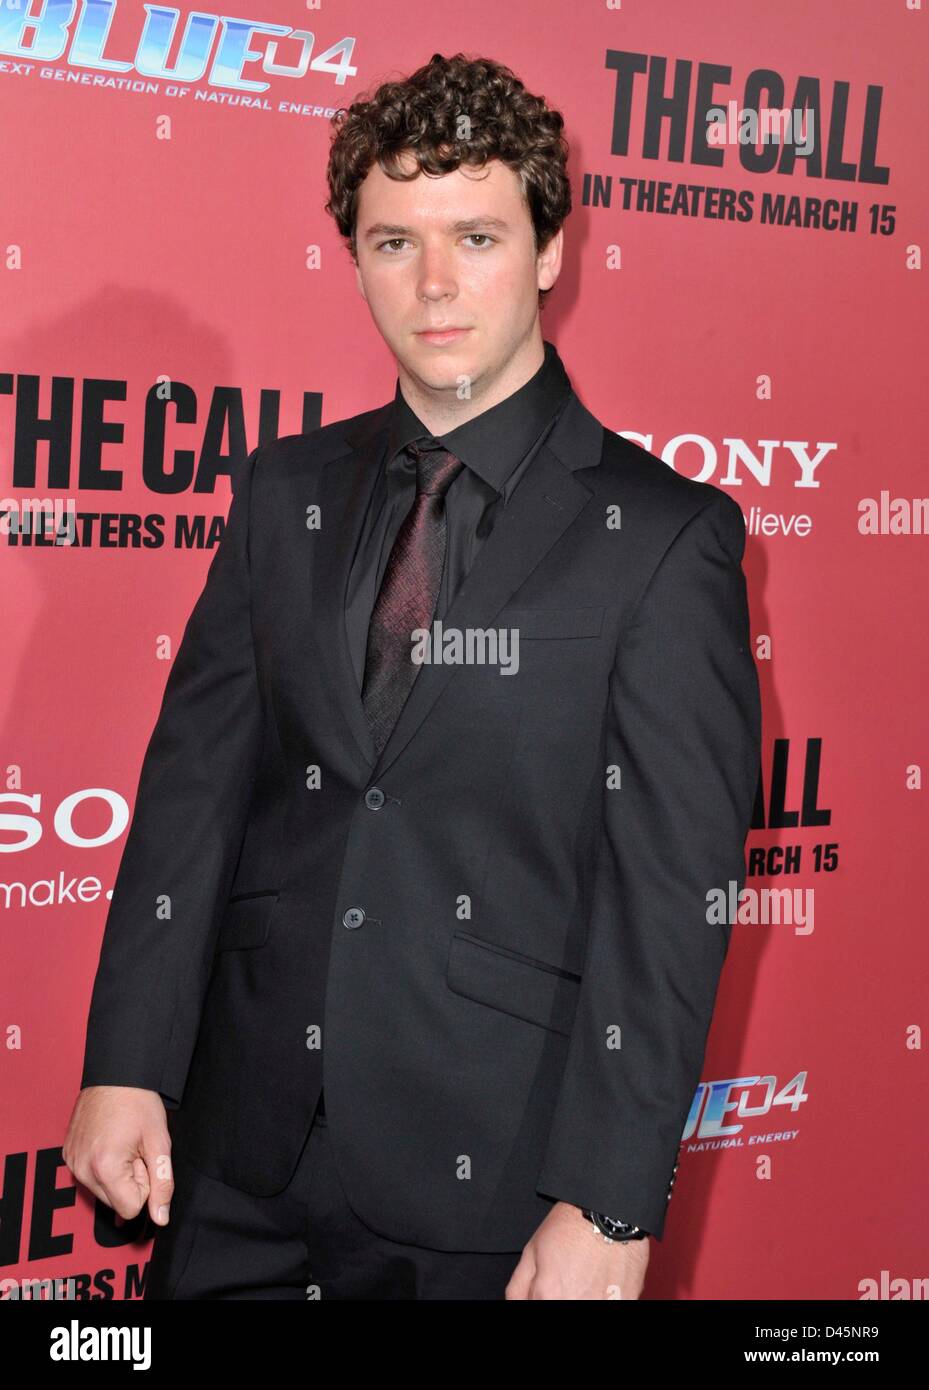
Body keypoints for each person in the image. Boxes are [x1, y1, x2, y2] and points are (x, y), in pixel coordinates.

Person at [64, 52, 761, 1301]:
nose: (433, 284)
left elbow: (668, 907)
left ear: (550, 250)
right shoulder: (283, 495)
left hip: (492, 1180)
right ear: (354, 257)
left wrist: (606, 1197)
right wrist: (125, 1061)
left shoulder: (663, 539)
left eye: (476, 235)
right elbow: (190, 803)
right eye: (394, 243)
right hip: (240, 1158)